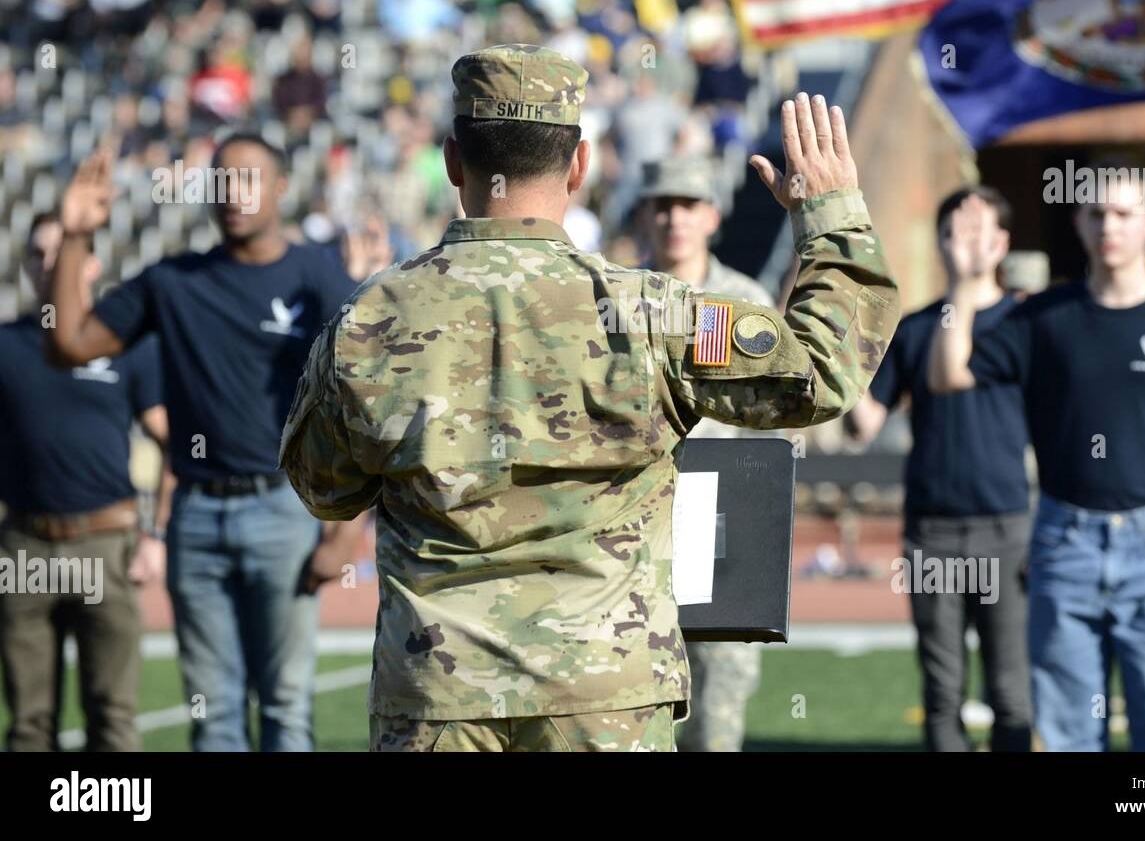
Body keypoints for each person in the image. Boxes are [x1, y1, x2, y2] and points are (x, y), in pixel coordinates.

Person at [280, 45, 900, 752]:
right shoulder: (654, 311)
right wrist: (832, 216)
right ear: (579, 165)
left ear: (455, 162)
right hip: (606, 698)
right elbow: (821, 369)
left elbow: (323, 487)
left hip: (437, 694)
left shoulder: (372, 317)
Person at [46, 133, 378, 752]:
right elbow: (68, 344)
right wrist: (73, 235)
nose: (234, 193)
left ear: (282, 188)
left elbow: (363, 409)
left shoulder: (317, 277)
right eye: (221, 180)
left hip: (284, 510)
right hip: (195, 518)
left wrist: (344, 533)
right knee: (214, 718)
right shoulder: (173, 281)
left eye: (249, 178)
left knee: (286, 710)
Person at [927, 176, 1145, 752]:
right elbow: (948, 374)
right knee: (1069, 731)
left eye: (1124, 214)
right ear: (1079, 223)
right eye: (1096, 214)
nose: (1109, 227)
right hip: (1064, 539)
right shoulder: (1045, 315)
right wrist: (966, 282)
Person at [853, 187, 1032, 752]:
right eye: (956, 231)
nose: (967, 245)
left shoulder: (1025, 322)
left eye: (980, 232)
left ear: (1002, 243)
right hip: (932, 531)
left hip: (1006, 527)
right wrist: (839, 337)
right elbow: (863, 424)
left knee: (1011, 692)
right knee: (942, 690)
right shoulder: (917, 327)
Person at [0, 213, 169, 751]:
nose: (48, 264)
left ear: (90, 263)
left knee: (113, 718)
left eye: (60, 252)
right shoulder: (4, 346)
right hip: (23, 545)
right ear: (25, 266)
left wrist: (154, 535)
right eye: (38, 255)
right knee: (28, 724)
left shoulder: (125, 344)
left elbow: (173, 443)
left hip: (106, 542)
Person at [635, 154, 770, 753]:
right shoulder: (619, 297)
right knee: (635, 690)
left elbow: (771, 416)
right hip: (634, 514)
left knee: (719, 693)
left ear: (712, 216)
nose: (674, 219)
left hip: (719, 511)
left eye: (688, 206)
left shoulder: (739, 300)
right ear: (645, 215)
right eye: (663, 206)